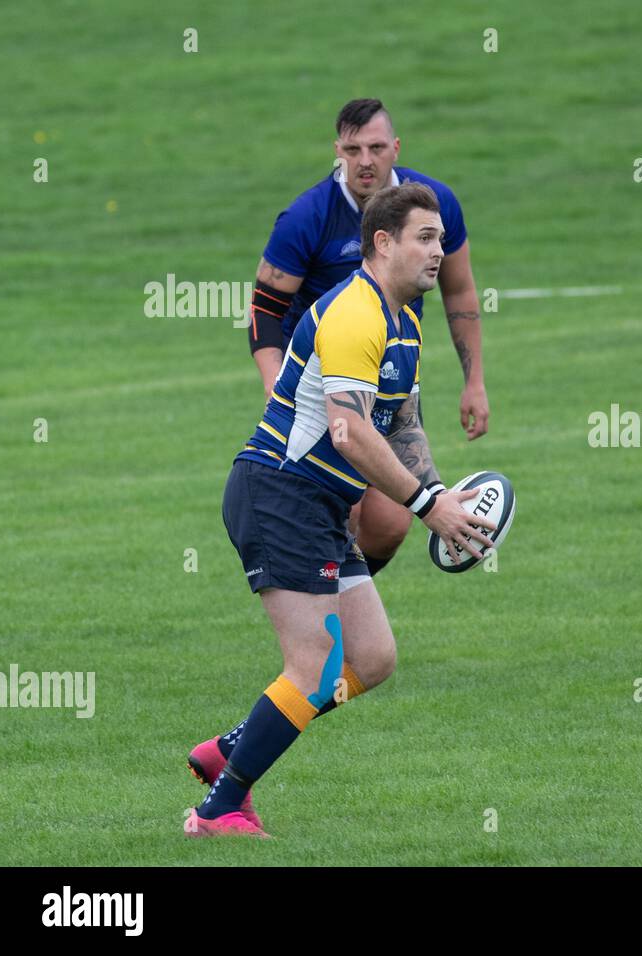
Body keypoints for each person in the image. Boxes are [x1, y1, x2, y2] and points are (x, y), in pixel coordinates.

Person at [187, 183, 496, 836]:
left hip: (318, 506)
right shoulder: (355, 314)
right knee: (317, 666)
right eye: (425, 238)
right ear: (383, 244)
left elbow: (403, 424)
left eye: (441, 238)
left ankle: (235, 745)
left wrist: (444, 498)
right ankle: (220, 809)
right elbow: (351, 432)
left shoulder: (404, 321)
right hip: (279, 496)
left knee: (371, 658)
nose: (440, 251)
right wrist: (425, 505)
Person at [248, 98, 489, 579]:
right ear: (337, 151)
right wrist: (279, 388)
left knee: (392, 521)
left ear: (395, 148)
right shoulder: (306, 218)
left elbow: (459, 290)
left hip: (392, 371)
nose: (365, 161)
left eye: (376, 147)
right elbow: (263, 311)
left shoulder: (432, 208)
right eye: (352, 149)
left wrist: (474, 380)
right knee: (344, 504)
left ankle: (336, 608)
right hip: (327, 381)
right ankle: (324, 616)